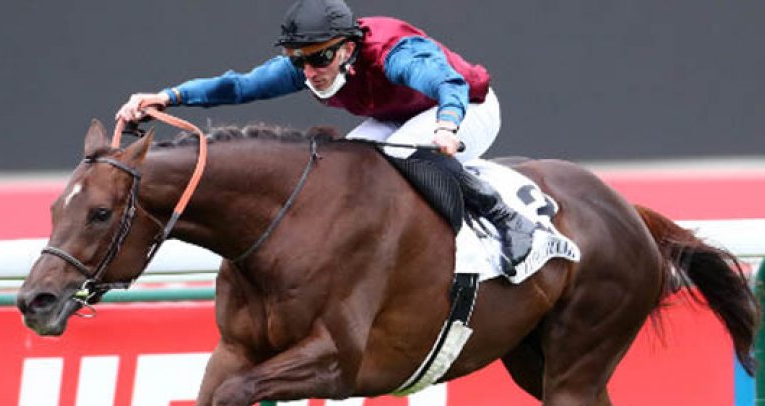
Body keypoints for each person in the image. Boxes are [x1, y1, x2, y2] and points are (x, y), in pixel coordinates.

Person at [117, 0, 537, 270]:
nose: (310, 72)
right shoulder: (308, 64)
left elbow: (449, 85)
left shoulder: (393, 52)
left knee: (407, 155)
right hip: (398, 113)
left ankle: (507, 219)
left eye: (319, 58)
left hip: (465, 107)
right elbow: (239, 86)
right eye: (299, 62)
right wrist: (168, 96)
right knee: (348, 167)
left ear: (348, 48)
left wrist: (447, 126)